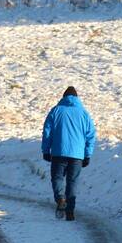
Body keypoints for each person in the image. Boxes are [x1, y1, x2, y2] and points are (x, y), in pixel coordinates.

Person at [41, 86, 97, 221]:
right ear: (77, 98)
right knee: (72, 182)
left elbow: (47, 132)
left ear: (63, 97)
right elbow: (91, 135)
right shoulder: (84, 113)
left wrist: (46, 150)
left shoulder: (56, 111)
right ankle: (70, 211)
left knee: (57, 178)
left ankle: (60, 198)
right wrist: (87, 154)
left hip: (59, 152)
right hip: (77, 155)